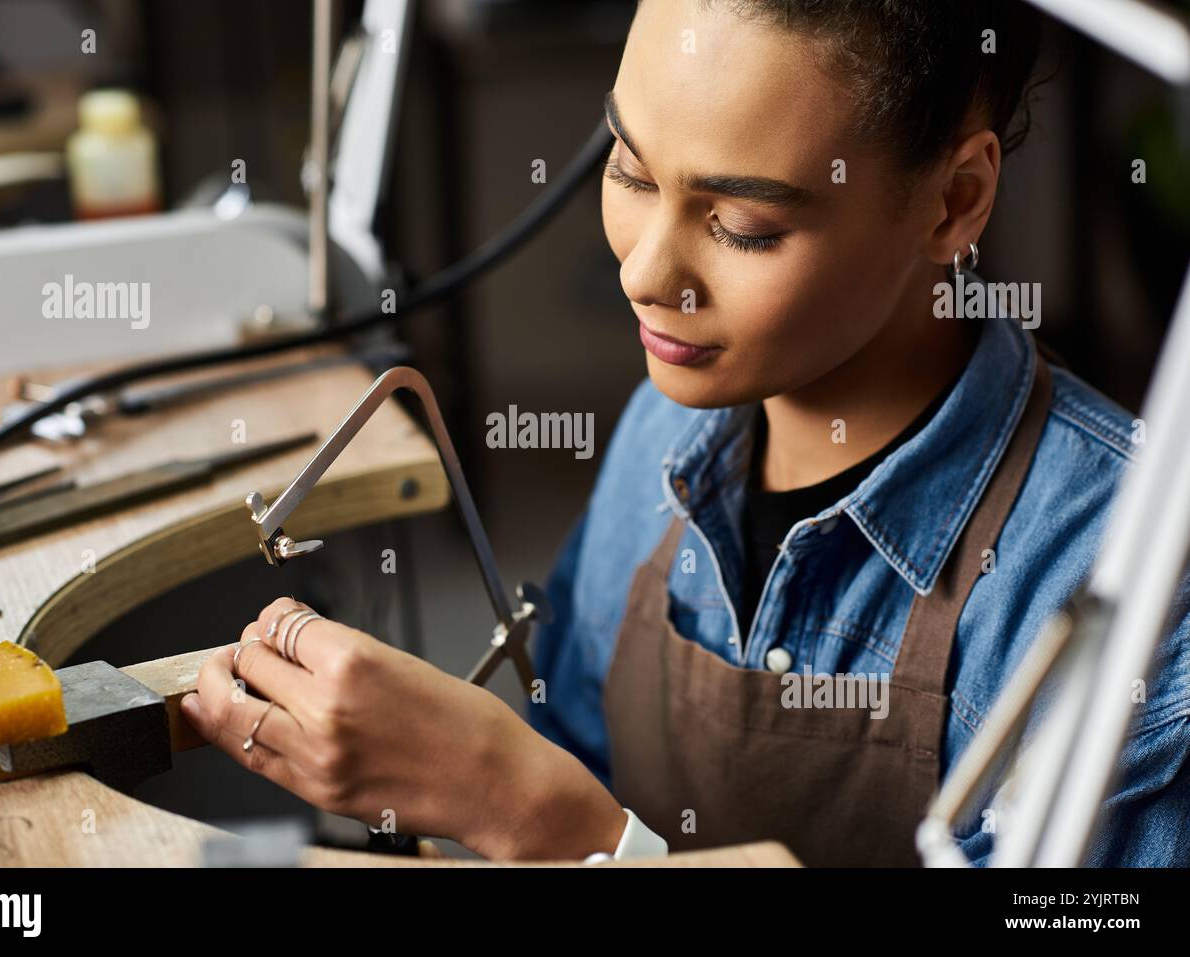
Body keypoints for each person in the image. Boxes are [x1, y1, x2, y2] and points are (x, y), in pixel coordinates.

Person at [180, 0, 1190, 866]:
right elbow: (574, 745)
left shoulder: (1127, 591)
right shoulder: (669, 430)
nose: (642, 274)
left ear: (954, 200)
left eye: (743, 226)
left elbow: (550, 802)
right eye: (629, 167)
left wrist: (542, 819)